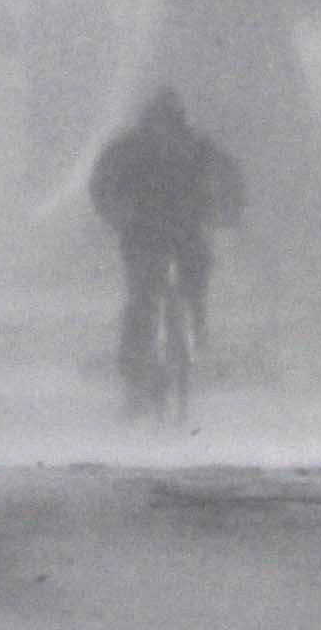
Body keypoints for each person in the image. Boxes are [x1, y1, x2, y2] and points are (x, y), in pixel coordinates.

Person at [89, 88, 243, 400]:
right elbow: (103, 185)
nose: (165, 130)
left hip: (160, 231)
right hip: (156, 232)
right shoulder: (192, 146)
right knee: (146, 296)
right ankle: (140, 367)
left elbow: (230, 180)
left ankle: (186, 334)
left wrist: (228, 210)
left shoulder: (134, 148)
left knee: (172, 290)